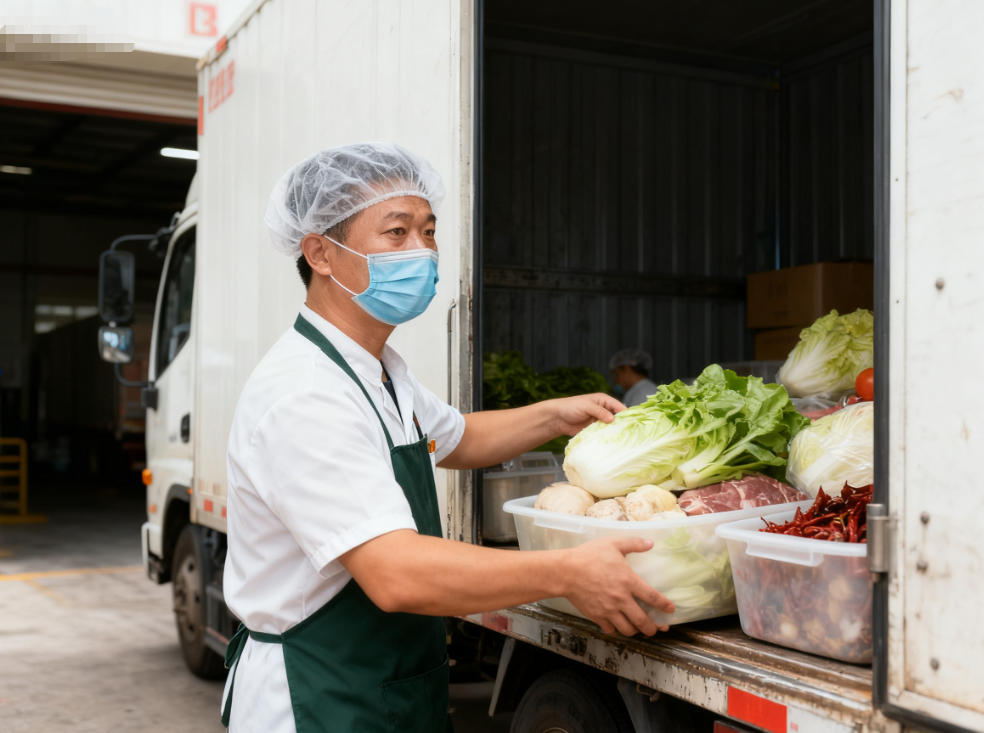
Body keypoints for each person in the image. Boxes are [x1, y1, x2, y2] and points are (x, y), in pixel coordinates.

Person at [219, 143, 674, 733]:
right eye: (397, 233)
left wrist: (554, 415)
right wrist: (567, 572)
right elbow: (396, 572)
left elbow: (457, 438)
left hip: (386, 682)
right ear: (321, 253)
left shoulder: (379, 368)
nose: (423, 252)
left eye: (429, 232)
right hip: (317, 697)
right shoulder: (305, 394)